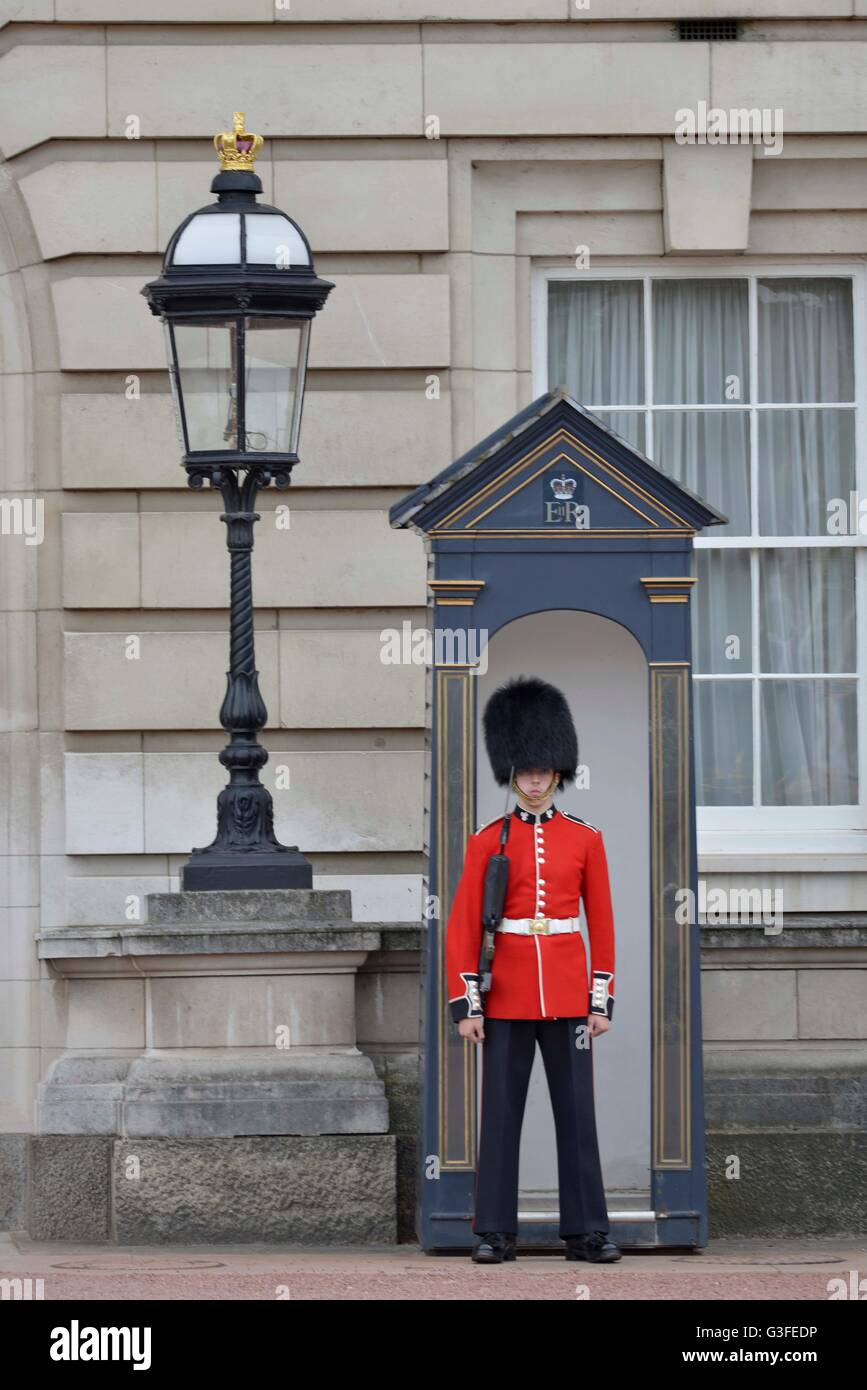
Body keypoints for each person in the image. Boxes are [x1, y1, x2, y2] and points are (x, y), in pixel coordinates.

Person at [446, 675, 621, 1264]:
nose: (537, 778)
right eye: (526, 769)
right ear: (512, 771)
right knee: (500, 1115)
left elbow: (603, 925)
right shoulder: (484, 842)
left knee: (578, 1115)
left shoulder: (585, 841)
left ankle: (587, 1231)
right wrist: (466, 1005)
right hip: (506, 995)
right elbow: (465, 928)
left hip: (570, 993)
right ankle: (494, 1230)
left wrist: (600, 1000)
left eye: (545, 768)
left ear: (558, 770)